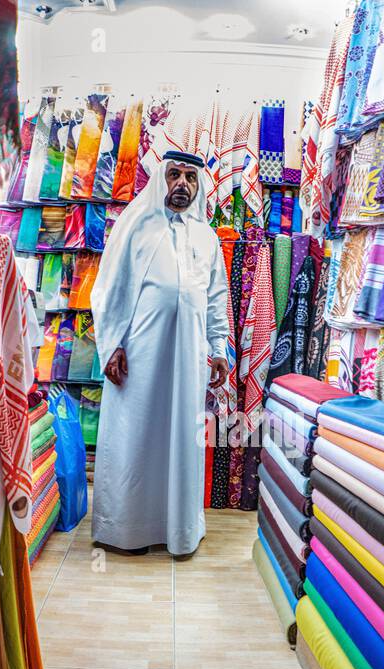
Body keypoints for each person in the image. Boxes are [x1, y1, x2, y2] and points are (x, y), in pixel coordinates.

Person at [88, 150, 231, 556]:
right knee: (135, 434)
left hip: (189, 356)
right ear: (160, 179)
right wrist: (111, 344)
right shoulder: (136, 225)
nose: (182, 184)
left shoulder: (207, 236)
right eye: (174, 175)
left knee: (181, 436)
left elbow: (215, 295)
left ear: (199, 184)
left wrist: (218, 347)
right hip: (139, 353)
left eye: (189, 177)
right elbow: (109, 288)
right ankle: (125, 529)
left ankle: (178, 530)